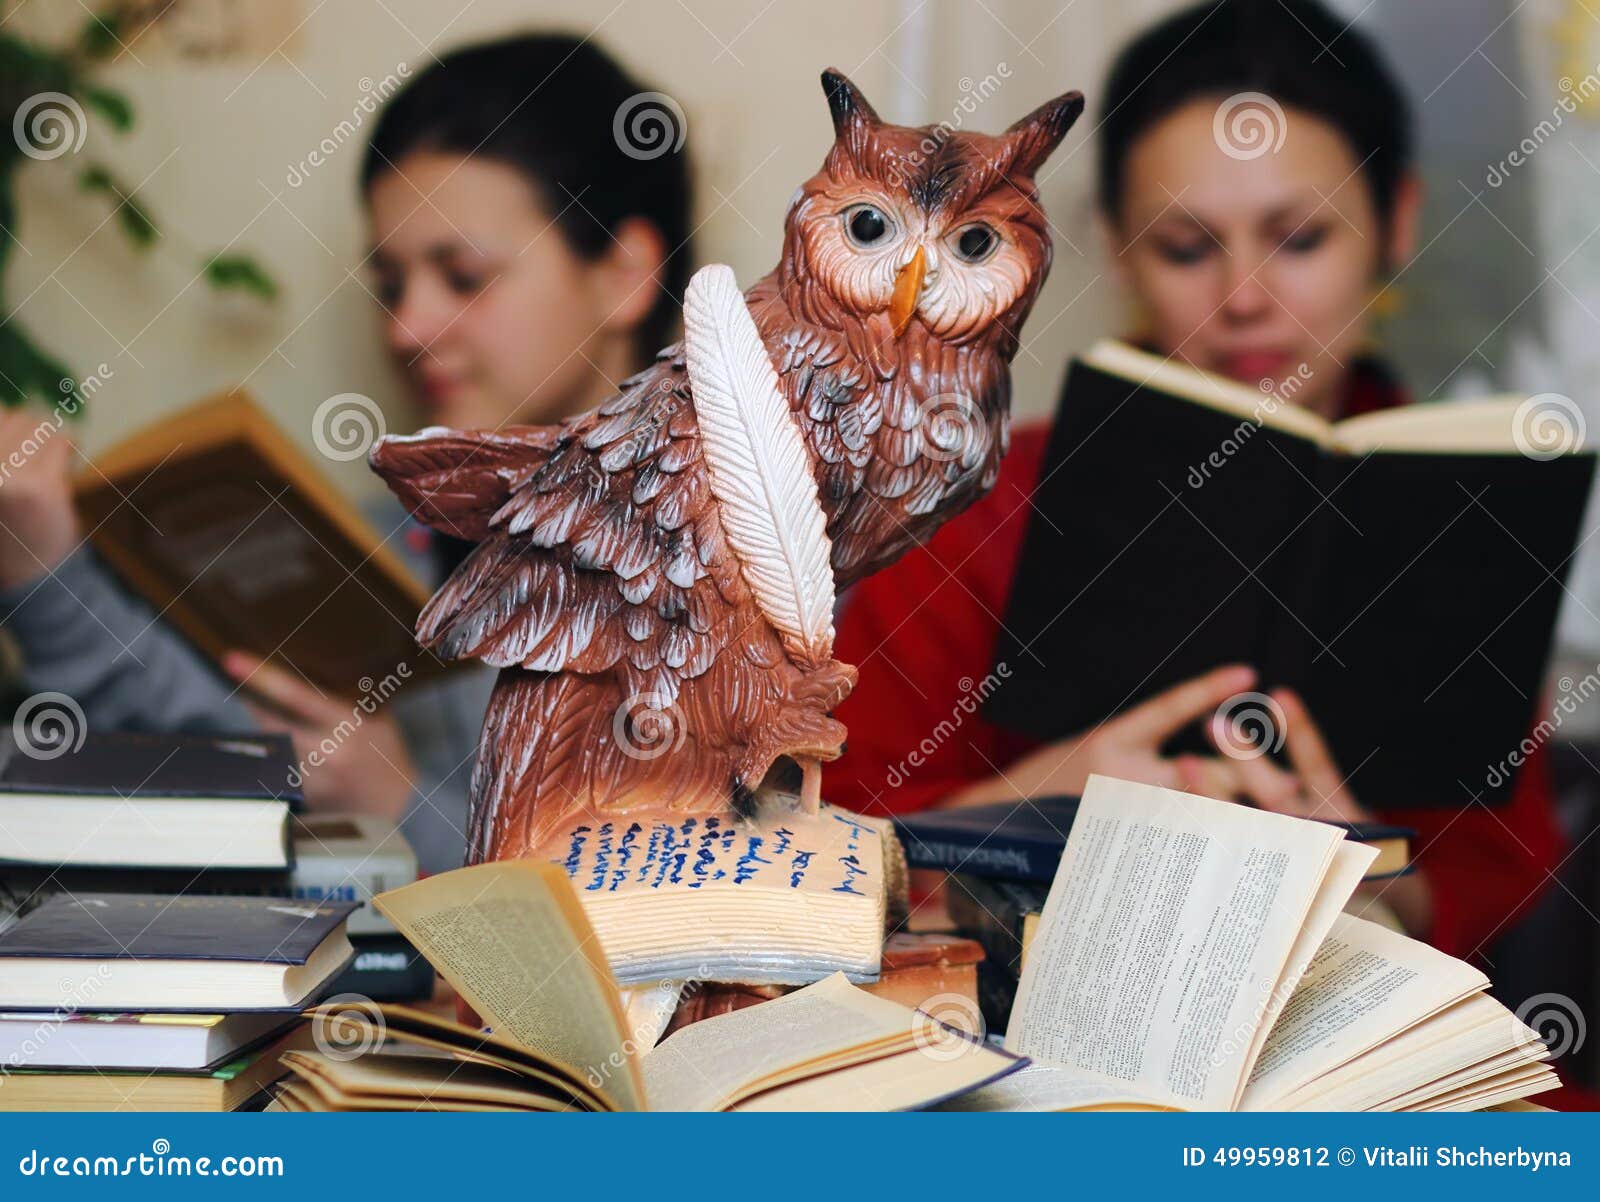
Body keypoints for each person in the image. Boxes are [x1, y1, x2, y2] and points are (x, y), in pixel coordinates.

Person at [826, 0, 1564, 965]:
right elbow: (815, 850)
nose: (1245, 298)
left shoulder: (1457, 504)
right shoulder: (974, 505)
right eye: (1186, 248)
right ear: (1117, 245)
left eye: (1301, 239)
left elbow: (1502, 865)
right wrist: (1030, 808)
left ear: (1396, 223)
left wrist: (1377, 883)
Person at [0, 33, 692, 873]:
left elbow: (682, 902)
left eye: (464, 276)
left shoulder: (737, 575)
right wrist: (42, 567)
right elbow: (202, 737)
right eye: (390, 285)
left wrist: (400, 805)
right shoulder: (384, 544)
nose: (407, 328)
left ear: (624, 274)